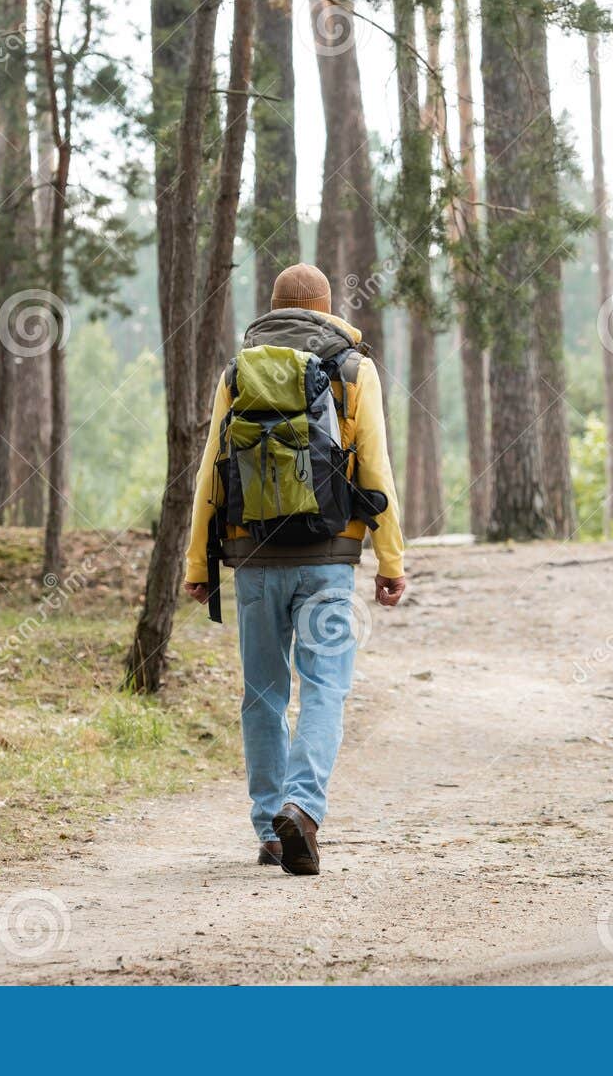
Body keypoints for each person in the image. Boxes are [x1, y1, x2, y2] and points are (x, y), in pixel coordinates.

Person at [184, 263, 406, 876]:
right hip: (328, 557)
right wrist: (391, 559)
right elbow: (376, 473)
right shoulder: (355, 369)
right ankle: (302, 808)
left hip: (251, 555)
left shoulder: (238, 371)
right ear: (328, 306)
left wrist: (198, 560)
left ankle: (270, 832)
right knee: (325, 684)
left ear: (274, 306)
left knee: (262, 692)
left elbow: (210, 473)